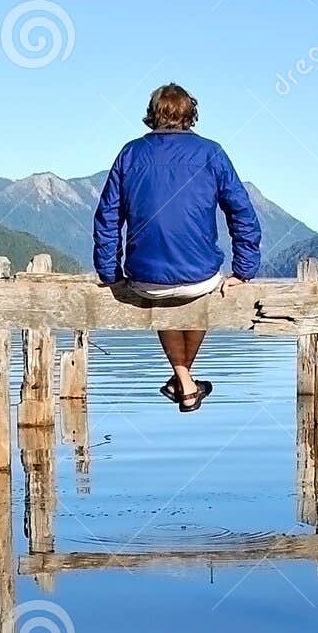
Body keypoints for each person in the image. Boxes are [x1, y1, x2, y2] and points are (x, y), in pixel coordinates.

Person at [92, 84, 262, 412]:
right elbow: (242, 211)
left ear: (152, 114)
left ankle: (183, 381)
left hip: (146, 280)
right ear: (190, 114)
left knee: (164, 295)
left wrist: (110, 273)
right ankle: (185, 382)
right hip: (201, 278)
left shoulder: (130, 153)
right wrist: (243, 270)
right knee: (202, 291)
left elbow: (108, 216)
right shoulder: (212, 153)